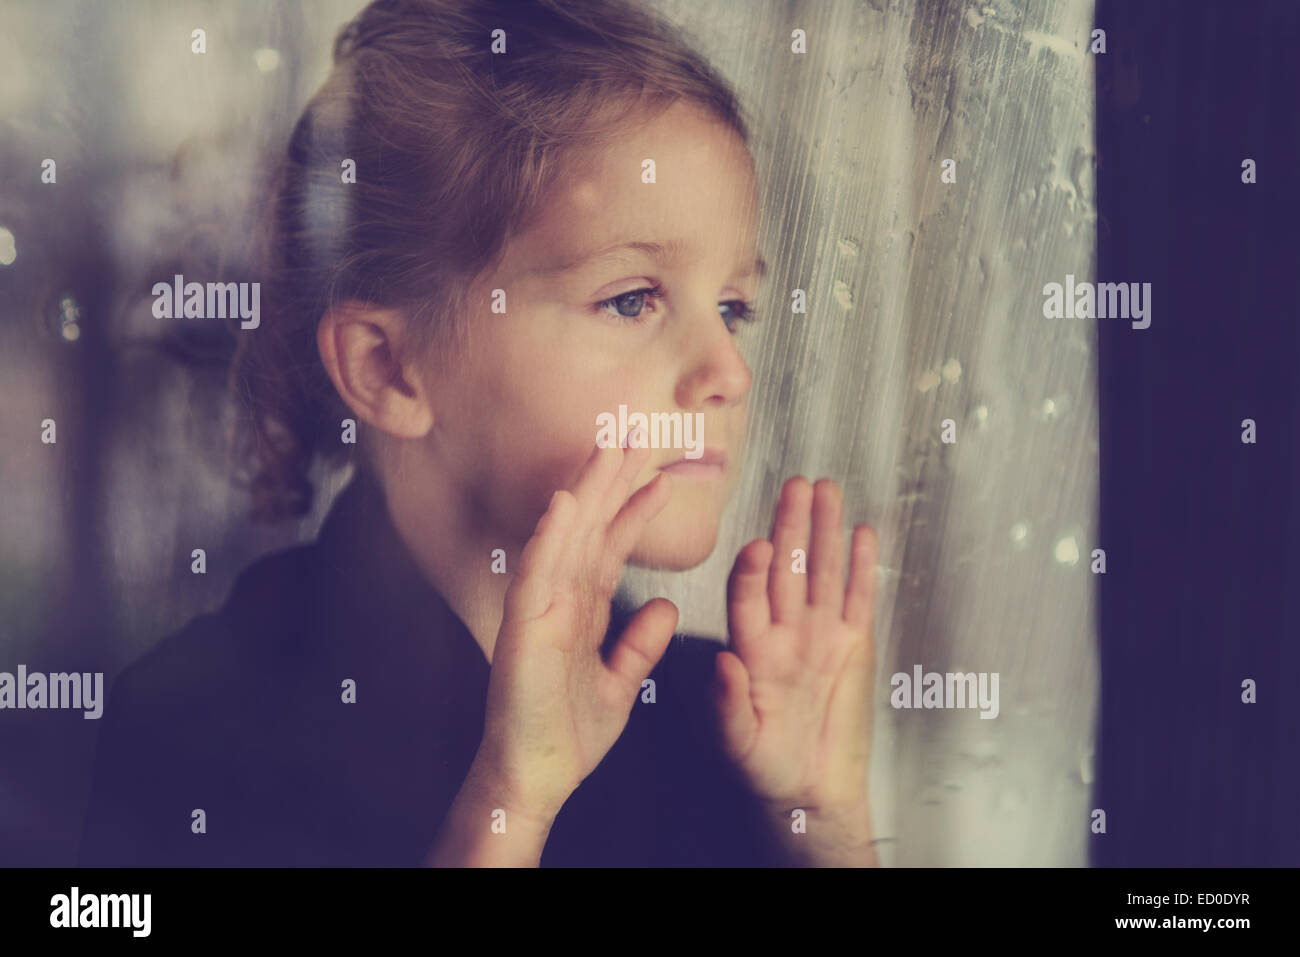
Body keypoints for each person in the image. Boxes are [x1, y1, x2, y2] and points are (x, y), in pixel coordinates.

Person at [78, 0, 880, 867]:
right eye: (631, 299)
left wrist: (822, 818)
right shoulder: (200, 733)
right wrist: (510, 803)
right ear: (388, 368)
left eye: (732, 307)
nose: (728, 370)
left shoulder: (712, 716)